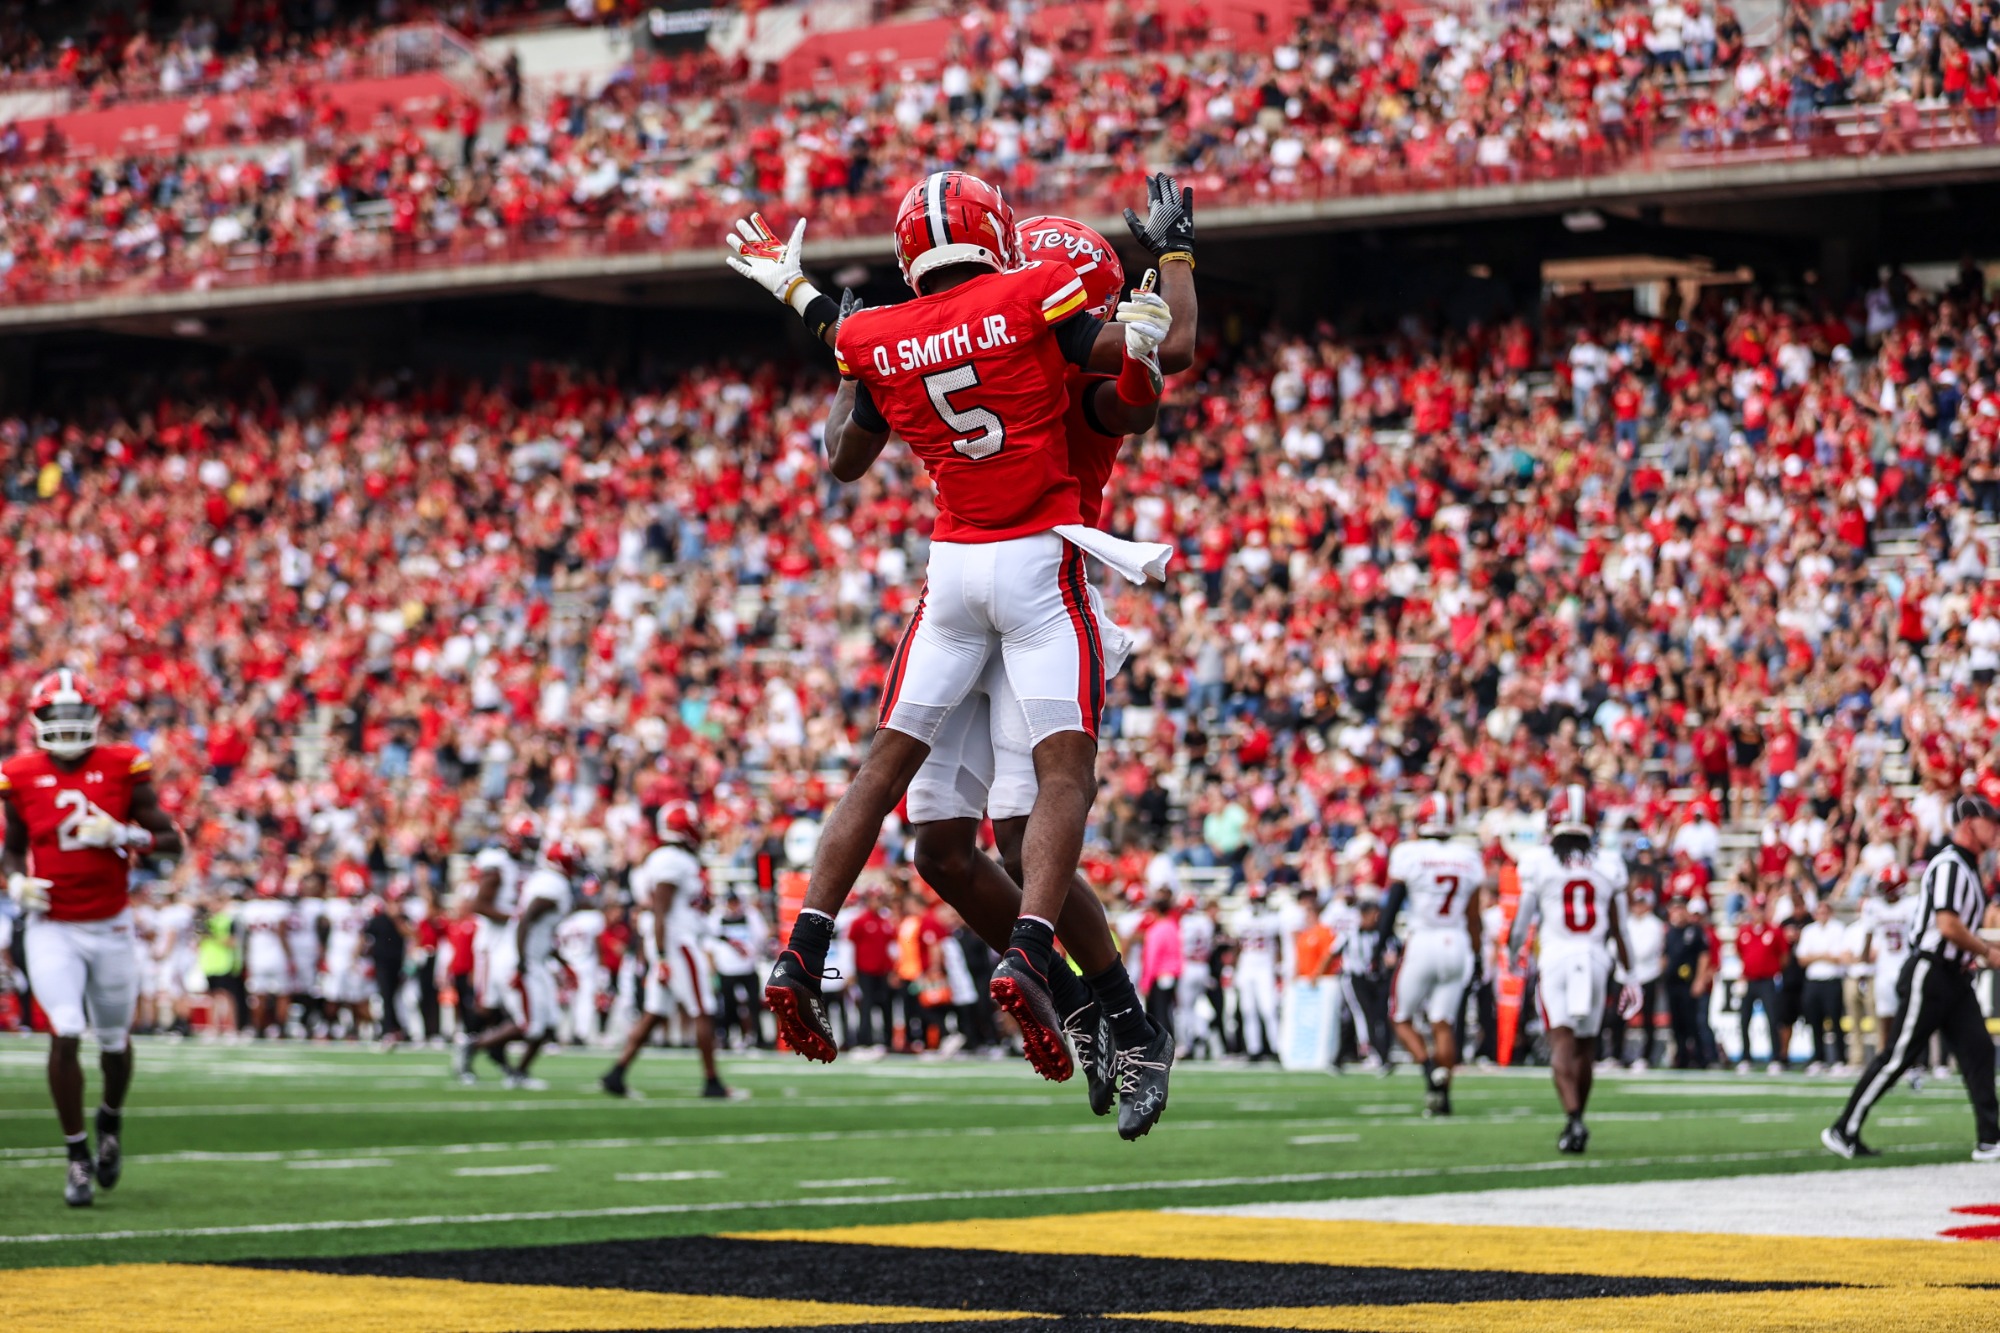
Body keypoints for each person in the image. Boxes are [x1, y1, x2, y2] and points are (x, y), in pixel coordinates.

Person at [730, 171, 1181, 1142]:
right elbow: (1148, 360)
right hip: (1016, 582)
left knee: (1009, 833)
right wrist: (1169, 268)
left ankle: (1120, 1016)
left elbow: (847, 452)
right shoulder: (1031, 318)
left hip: (991, 569)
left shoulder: (962, 335)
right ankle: (1059, 984)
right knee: (943, 845)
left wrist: (838, 335)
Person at [902, 210, 1196, 1126]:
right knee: (941, 848)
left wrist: (1176, 259)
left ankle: (1129, 1018)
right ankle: (1076, 1004)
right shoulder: (989, 339)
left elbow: (1157, 369)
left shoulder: (1078, 371)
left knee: (1026, 824)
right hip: (968, 592)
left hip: (1045, 596)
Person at [1, 669, 184, 1207]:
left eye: (77, 715)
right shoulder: (18, 774)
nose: (68, 726)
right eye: (57, 717)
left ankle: (110, 1120)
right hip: (53, 925)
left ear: (95, 718)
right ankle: (77, 1154)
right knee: (65, 1030)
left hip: (111, 924)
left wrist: (125, 834)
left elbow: (173, 843)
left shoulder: (124, 765)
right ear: (37, 721)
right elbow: (12, 846)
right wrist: (14, 880)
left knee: (113, 1041)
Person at [1826, 794, 2000, 1161]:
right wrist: (1987, 951)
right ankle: (1844, 1129)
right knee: (1898, 1056)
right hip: (1932, 973)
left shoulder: (1970, 868)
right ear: (1969, 823)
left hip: (1954, 975)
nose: (1997, 829)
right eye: (1992, 821)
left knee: (1979, 1050)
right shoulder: (1951, 864)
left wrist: (1978, 951)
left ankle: (1990, 1139)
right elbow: (1947, 925)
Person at [1508, 786, 1638, 1155]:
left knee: (1561, 1041)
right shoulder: (1608, 863)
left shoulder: (1538, 861)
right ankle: (1578, 1116)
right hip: (1596, 957)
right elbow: (1620, 927)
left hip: (1557, 957)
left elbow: (1522, 920)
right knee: (1585, 1045)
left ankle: (1573, 1118)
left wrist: (1513, 950)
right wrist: (1629, 973)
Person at [602, 803, 732, 1099]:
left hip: (667, 941)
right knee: (703, 1009)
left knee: (654, 1013)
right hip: (676, 943)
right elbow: (661, 908)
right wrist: (661, 956)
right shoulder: (672, 859)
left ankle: (617, 1073)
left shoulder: (666, 857)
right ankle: (712, 1082)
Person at [1376, 796, 1483, 1115]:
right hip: (1456, 941)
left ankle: (1428, 1070)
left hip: (1423, 939)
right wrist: (1476, 955)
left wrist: (1380, 943)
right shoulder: (1468, 856)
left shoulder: (1409, 853)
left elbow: (1392, 904)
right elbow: (1473, 915)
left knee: (1400, 1017)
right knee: (1443, 1022)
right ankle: (1443, 1097)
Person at [472, 835, 579, 1089]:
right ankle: (474, 1047)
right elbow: (526, 921)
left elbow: (541, 932)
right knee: (530, 1024)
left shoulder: (546, 880)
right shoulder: (552, 884)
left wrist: (559, 960)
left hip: (532, 960)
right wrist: (521, 962)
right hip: (523, 961)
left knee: (547, 1023)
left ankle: (519, 1072)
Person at [455, 813, 535, 1081]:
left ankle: (494, 1053)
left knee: (503, 1007)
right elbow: (480, 905)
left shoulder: (522, 865)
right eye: (528, 841)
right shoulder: (497, 864)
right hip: (492, 945)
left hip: (510, 944)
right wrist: (515, 917)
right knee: (487, 1006)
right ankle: (466, 1051)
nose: (532, 846)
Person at [1795, 898, 1850, 1073]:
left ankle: (1839, 1058)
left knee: (1835, 1020)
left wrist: (1817, 956)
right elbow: (1802, 959)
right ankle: (1818, 1057)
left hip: (1832, 980)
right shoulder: (1809, 930)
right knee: (1814, 1020)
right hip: (1813, 981)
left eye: (1824, 912)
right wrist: (1824, 955)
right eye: (1819, 912)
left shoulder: (1838, 928)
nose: (1821, 915)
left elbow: (1839, 957)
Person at [1230, 882, 1284, 1059]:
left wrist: (1278, 966)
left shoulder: (1272, 918)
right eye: (1255, 899)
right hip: (1247, 964)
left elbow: (1277, 944)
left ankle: (1276, 1048)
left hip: (1265, 964)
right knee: (1248, 1009)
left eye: (1260, 899)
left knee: (1268, 1008)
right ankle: (1254, 1049)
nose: (1257, 903)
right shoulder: (1240, 917)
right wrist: (1234, 966)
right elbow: (1237, 945)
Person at [1735, 897, 1788, 1073]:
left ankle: (1775, 1057)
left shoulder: (1774, 931)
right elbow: (1740, 953)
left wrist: (1772, 969)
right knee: (1744, 1020)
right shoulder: (1744, 932)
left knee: (1773, 1020)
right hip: (1749, 980)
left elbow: (1784, 956)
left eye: (1761, 909)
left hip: (1767, 980)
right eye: (1756, 909)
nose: (1758, 913)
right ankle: (1745, 1057)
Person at [237, 883, 296, 1039]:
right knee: (283, 994)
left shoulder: (250, 908)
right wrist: (290, 957)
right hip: (277, 956)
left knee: (258, 995)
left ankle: (258, 1028)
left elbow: (247, 936)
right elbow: (282, 936)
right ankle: (280, 1028)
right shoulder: (280, 907)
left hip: (257, 957)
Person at [1662, 896, 1713, 1068]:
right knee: (1677, 1023)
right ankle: (1681, 1058)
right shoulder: (1669, 932)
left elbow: (1704, 956)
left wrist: (1699, 980)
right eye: (1674, 908)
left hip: (1688, 982)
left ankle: (1700, 1057)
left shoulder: (1695, 931)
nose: (1677, 912)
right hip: (1672, 982)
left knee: (1692, 1022)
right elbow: (1664, 957)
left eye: (1680, 908)